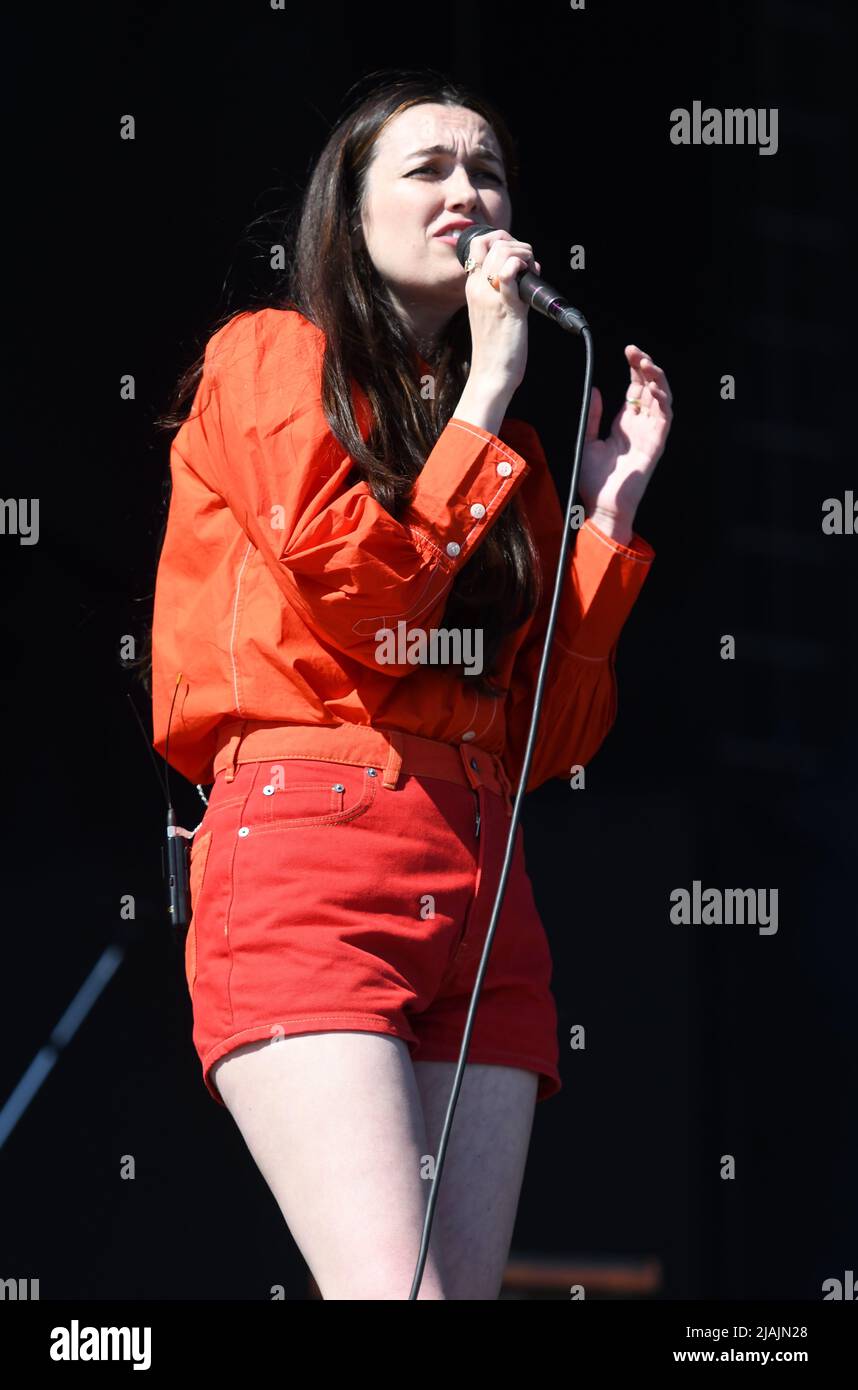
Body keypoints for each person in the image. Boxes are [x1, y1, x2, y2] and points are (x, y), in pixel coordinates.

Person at [148, 71, 672, 1300]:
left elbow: (553, 732)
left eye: (486, 171)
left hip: (485, 882)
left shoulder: (517, 466)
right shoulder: (274, 357)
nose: (467, 194)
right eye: (428, 169)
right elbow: (364, 603)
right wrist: (488, 387)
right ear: (351, 212)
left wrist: (604, 517)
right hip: (309, 853)